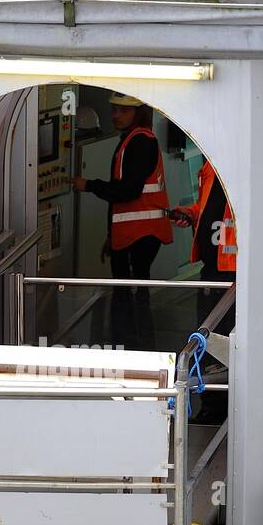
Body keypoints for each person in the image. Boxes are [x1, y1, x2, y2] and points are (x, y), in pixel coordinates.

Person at [73, 95, 173, 349]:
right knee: (133, 295)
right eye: (114, 110)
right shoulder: (136, 139)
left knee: (131, 296)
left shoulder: (139, 142)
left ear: (138, 112)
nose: (115, 115)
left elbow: (128, 191)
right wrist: (112, 235)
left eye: (123, 111)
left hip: (139, 233)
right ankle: (134, 351)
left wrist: (89, 186)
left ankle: (136, 353)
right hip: (134, 232)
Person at [172, 159, 236, 422]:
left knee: (227, 345)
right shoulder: (212, 165)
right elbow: (210, 209)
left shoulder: (250, 161)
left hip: (236, 272)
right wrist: (192, 213)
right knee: (208, 341)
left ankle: (224, 408)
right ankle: (212, 407)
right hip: (212, 270)